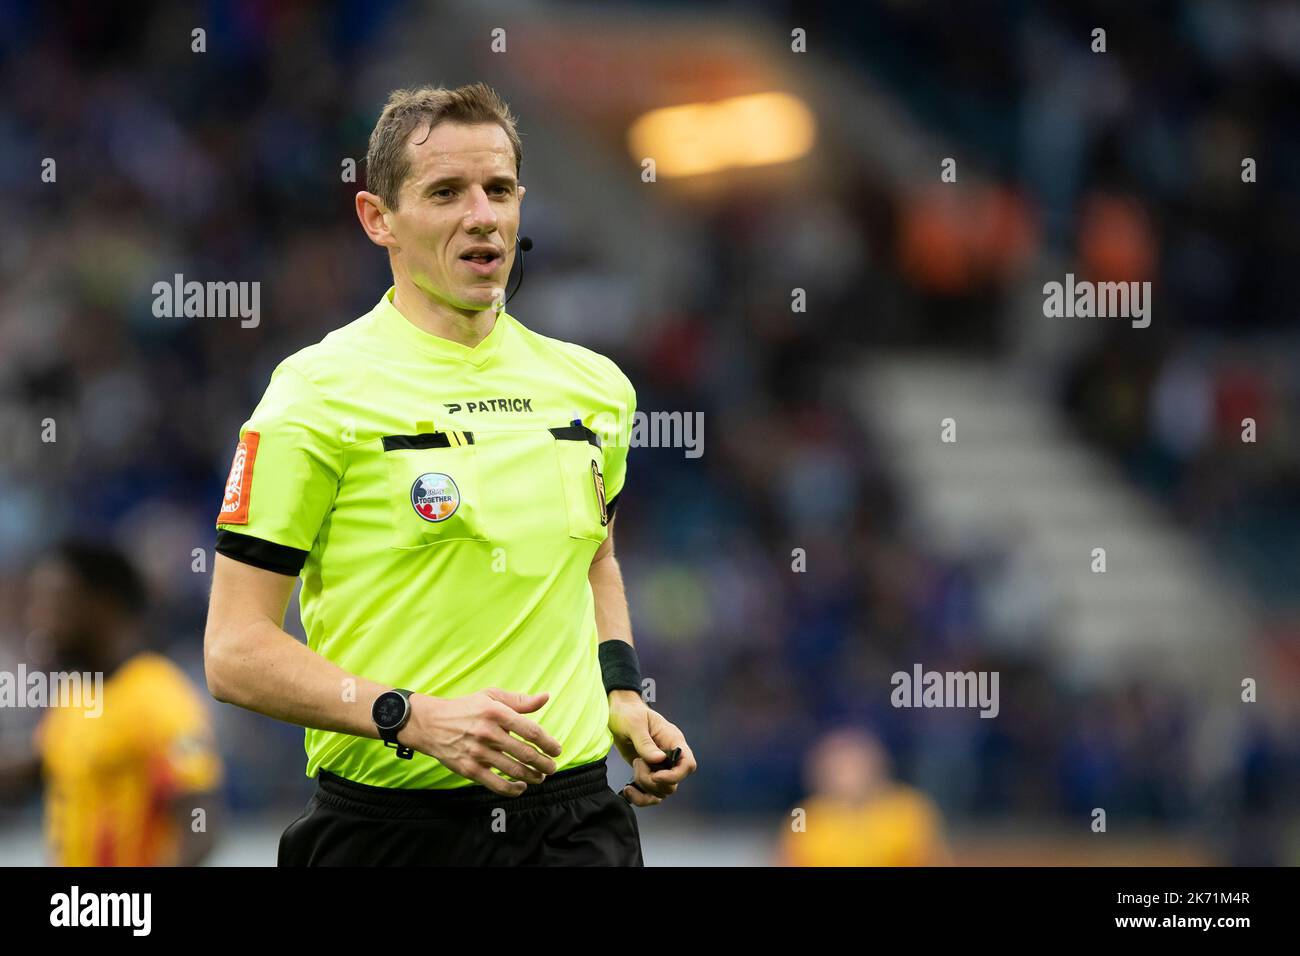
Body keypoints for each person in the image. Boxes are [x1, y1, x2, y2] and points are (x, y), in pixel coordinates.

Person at [204, 82, 695, 866]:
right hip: (387, 831)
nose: (482, 216)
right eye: (445, 192)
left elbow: (595, 560)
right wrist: (411, 716)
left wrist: (623, 696)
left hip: (573, 826)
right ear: (378, 219)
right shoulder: (315, 394)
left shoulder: (594, 387)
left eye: (498, 189)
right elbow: (233, 651)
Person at [0, 540, 222, 866]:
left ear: (103, 605)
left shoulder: (159, 695)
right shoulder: (75, 693)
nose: (38, 620)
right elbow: (43, 765)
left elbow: (201, 822)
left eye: (53, 604)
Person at [776, 727, 949, 866]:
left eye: (855, 765)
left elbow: (929, 859)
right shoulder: (804, 817)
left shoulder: (909, 809)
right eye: (838, 768)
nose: (849, 776)